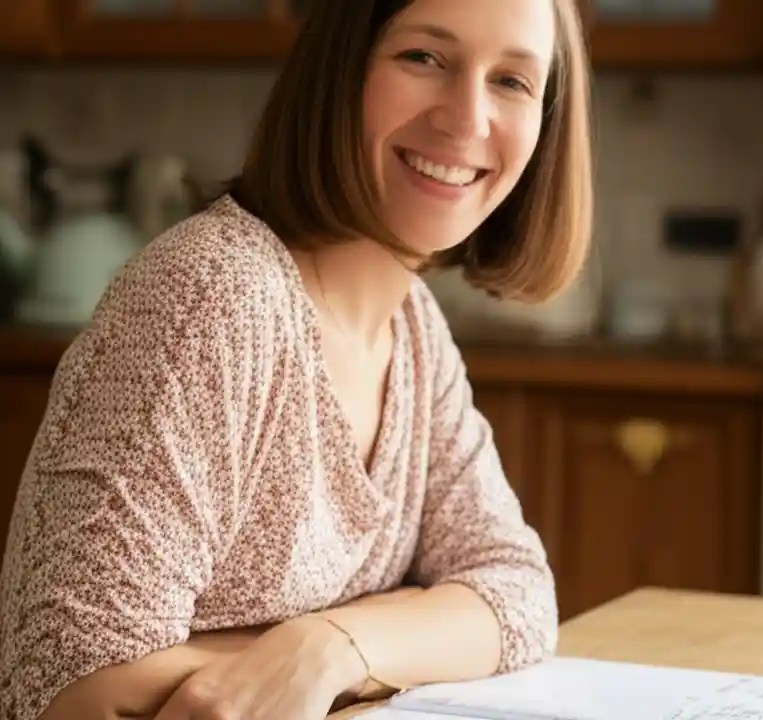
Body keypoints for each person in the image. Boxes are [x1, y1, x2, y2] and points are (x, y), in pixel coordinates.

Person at [0, 0, 592, 717]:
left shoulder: (412, 330)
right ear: (339, 69)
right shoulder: (212, 298)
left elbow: (518, 594)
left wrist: (331, 646)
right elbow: (78, 684)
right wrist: (405, 622)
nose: (467, 119)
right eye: (424, 58)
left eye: (512, 81)